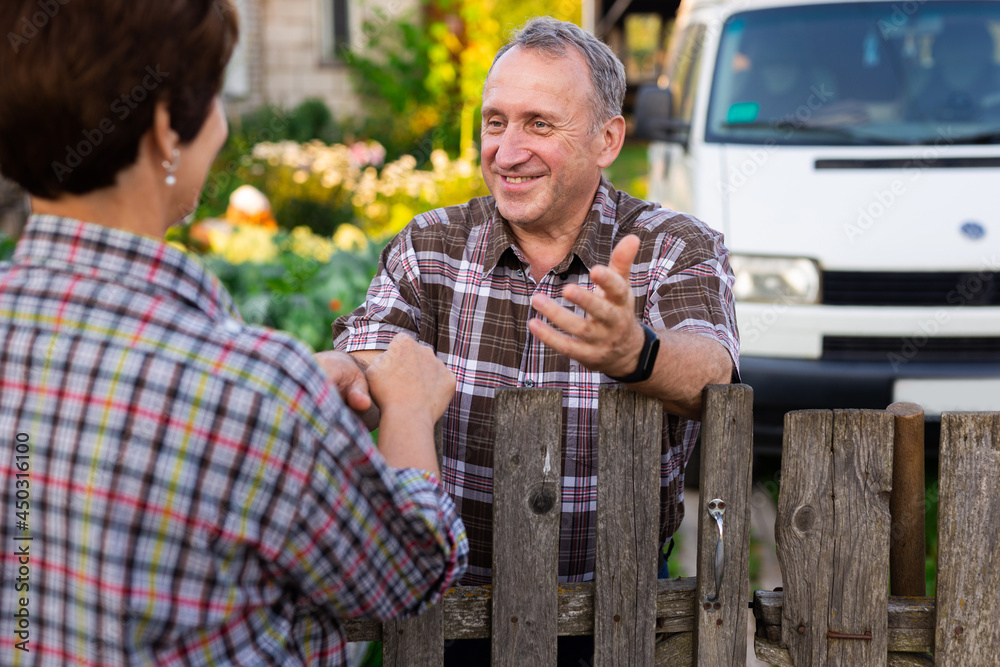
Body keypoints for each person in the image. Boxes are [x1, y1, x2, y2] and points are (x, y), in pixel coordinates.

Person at [0, 2, 466, 665]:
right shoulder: (252, 393)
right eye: (214, 95)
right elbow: (411, 569)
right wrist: (412, 411)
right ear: (167, 127)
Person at [327, 16, 739, 665]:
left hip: (618, 609)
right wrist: (340, 366)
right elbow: (369, 357)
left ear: (607, 139)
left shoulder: (671, 246)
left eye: (539, 124)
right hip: (448, 611)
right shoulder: (429, 246)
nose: (508, 150)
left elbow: (715, 373)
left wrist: (638, 352)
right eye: (496, 122)